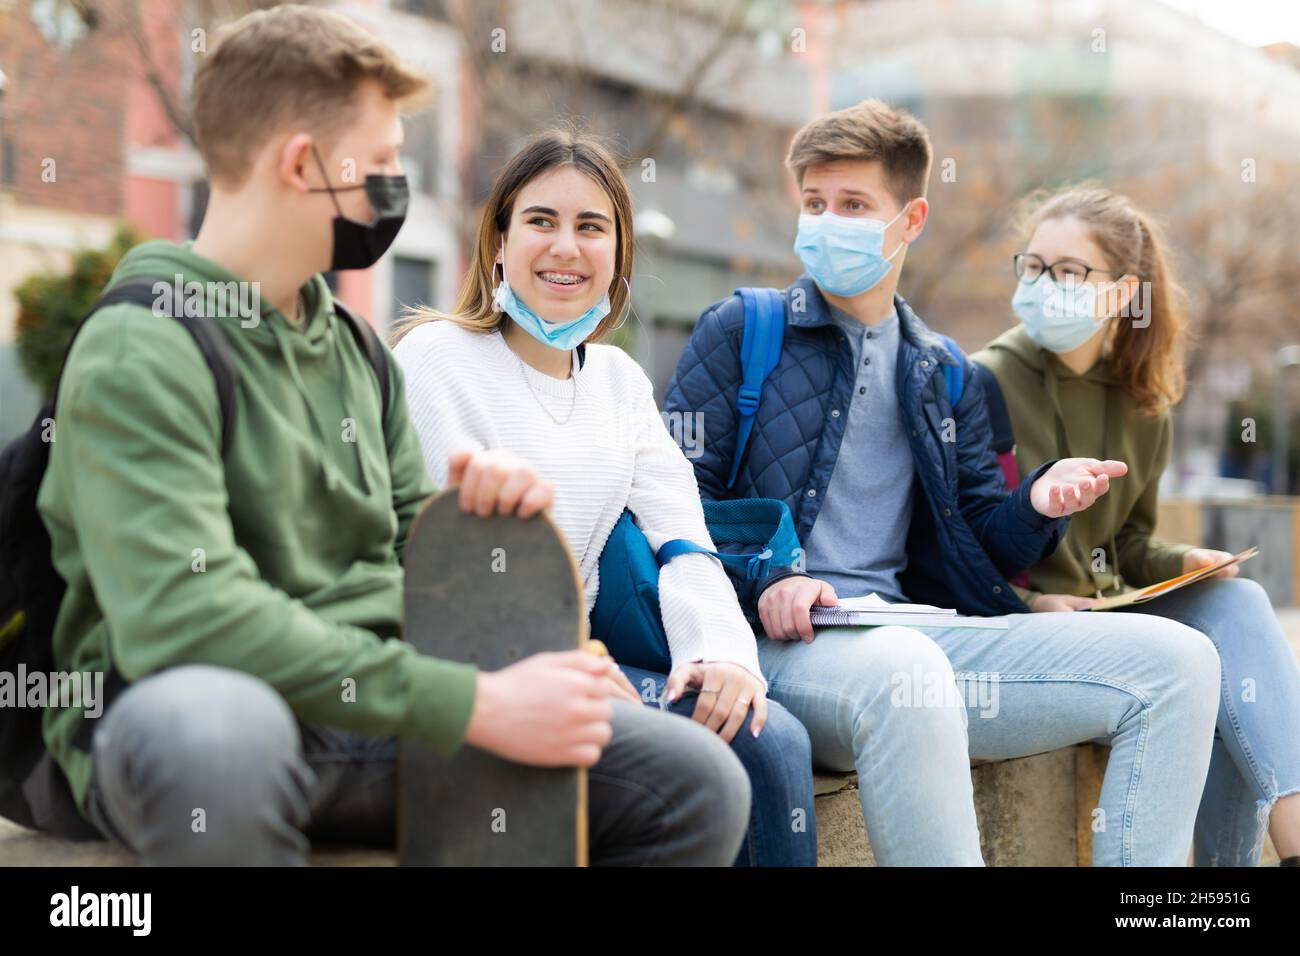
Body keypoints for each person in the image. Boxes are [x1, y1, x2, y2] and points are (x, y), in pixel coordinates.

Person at [35, 4, 749, 866]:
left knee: (693, 779)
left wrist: (509, 577)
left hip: (364, 710)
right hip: (182, 713)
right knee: (222, 733)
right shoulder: (142, 346)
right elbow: (184, 617)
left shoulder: (354, 353)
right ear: (303, 164)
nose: (395, 187)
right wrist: (473, 704)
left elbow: (423, 559)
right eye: (380, 163)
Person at [663, 99, 1223, 865]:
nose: (828, 222)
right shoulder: (741, 331)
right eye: (814, 203)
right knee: (907, 669)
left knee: (1180, 662)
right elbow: (669, 497)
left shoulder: (948, 373)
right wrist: (769, 576)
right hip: (778, 645)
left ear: (912, 218)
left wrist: (1037, 502)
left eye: (854, 205)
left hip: (911, 631)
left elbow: (984, 542)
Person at [392, 129, 817, 866]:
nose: (566, 247)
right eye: (541, 221)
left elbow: (684, 542)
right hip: (479, 669)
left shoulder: (618, 382)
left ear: (618, 255)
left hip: (593, 663)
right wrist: (576, 661)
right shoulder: (436, 359)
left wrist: (720, 656)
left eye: (592, 227)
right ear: (497, 241)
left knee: (765, 733)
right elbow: (455, 567)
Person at [973, 183, 1300, 867]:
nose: (1043, 285)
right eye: (1033, 267)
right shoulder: (982, 382)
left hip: (1110, 611)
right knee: (1206, 672)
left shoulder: (1144, 404)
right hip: (1020, 627)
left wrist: (1181, 559)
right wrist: (1030, 598)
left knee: (1237, 599)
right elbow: (953, 542)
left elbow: (1125, 545)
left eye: (1068, 271)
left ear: (1124, 293)